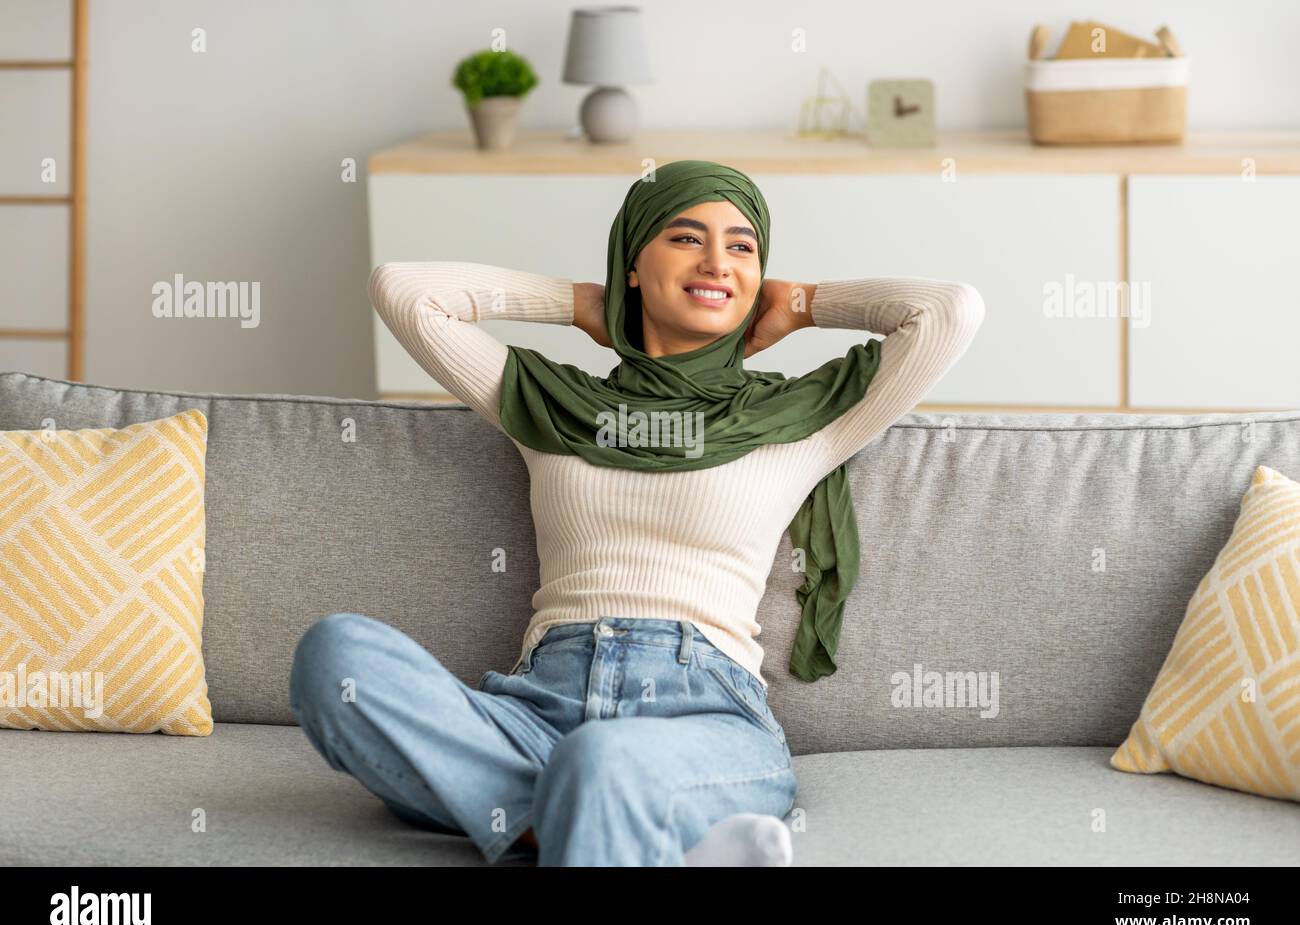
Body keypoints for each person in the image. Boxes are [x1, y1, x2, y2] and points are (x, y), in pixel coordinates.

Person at [289, 160, 985, 866]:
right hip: (537, 709)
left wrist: (800, 302)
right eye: (686, 238)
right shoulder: (547, 402)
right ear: (633, 262)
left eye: (742, 247)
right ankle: (606, 822)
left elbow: (948, 311)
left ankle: (575, 804)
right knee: (335, 653)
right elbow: (405, 292)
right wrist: (578, 304)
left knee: (605, 761)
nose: (718, 261)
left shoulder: (797, 420)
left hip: (704, 712)